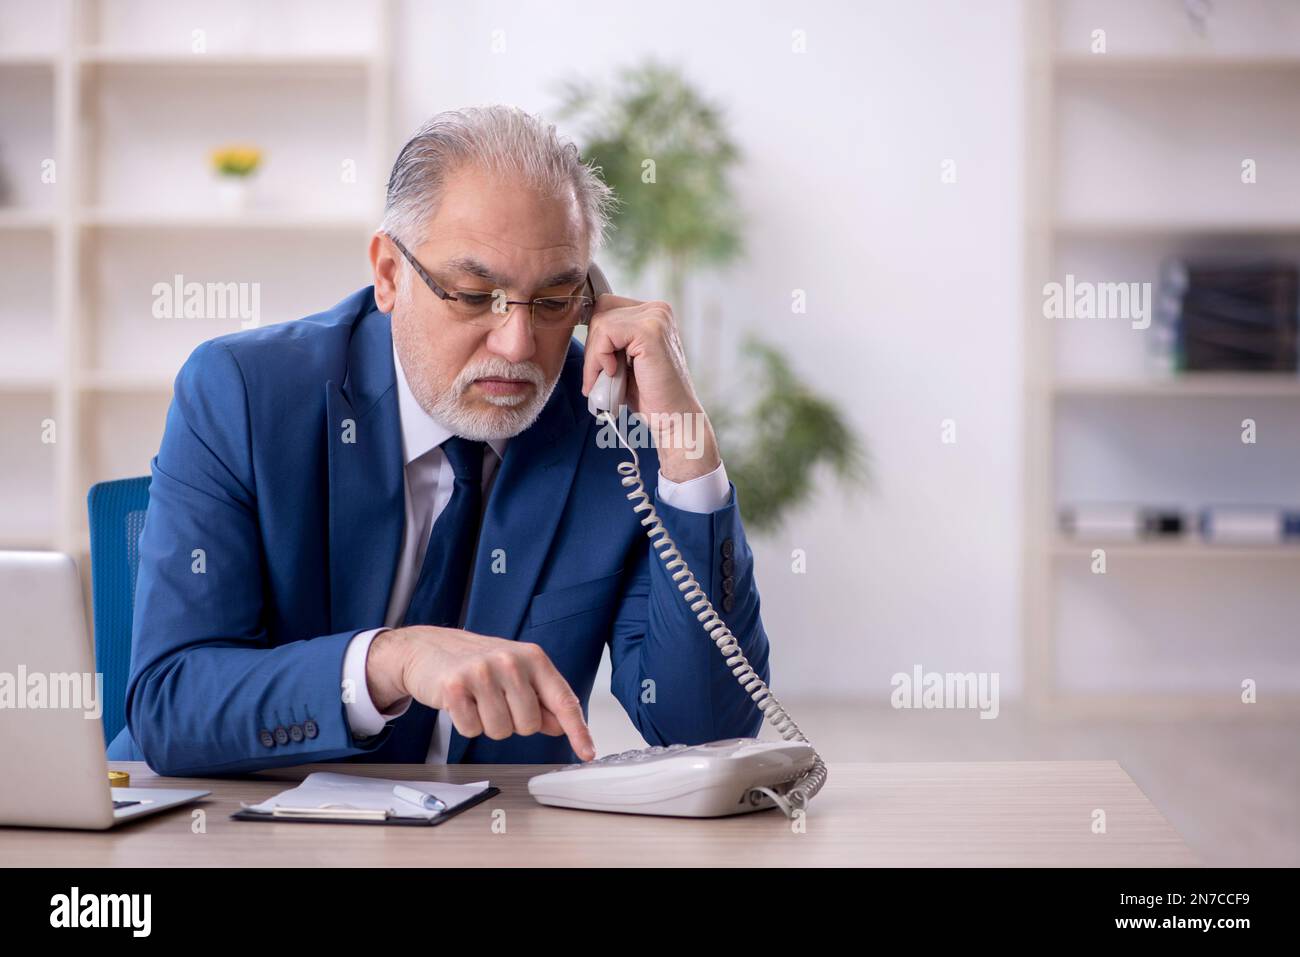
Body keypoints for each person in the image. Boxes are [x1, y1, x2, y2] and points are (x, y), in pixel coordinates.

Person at [113, 105, 770, 775]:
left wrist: (689, 449)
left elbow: (707, 725)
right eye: (474, 292)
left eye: (552, 302)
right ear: (390, 274)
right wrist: (392, 661)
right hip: (243, 827)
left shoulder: (605, 430)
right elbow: (172, 703)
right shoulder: (241, 395)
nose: (517, 345)